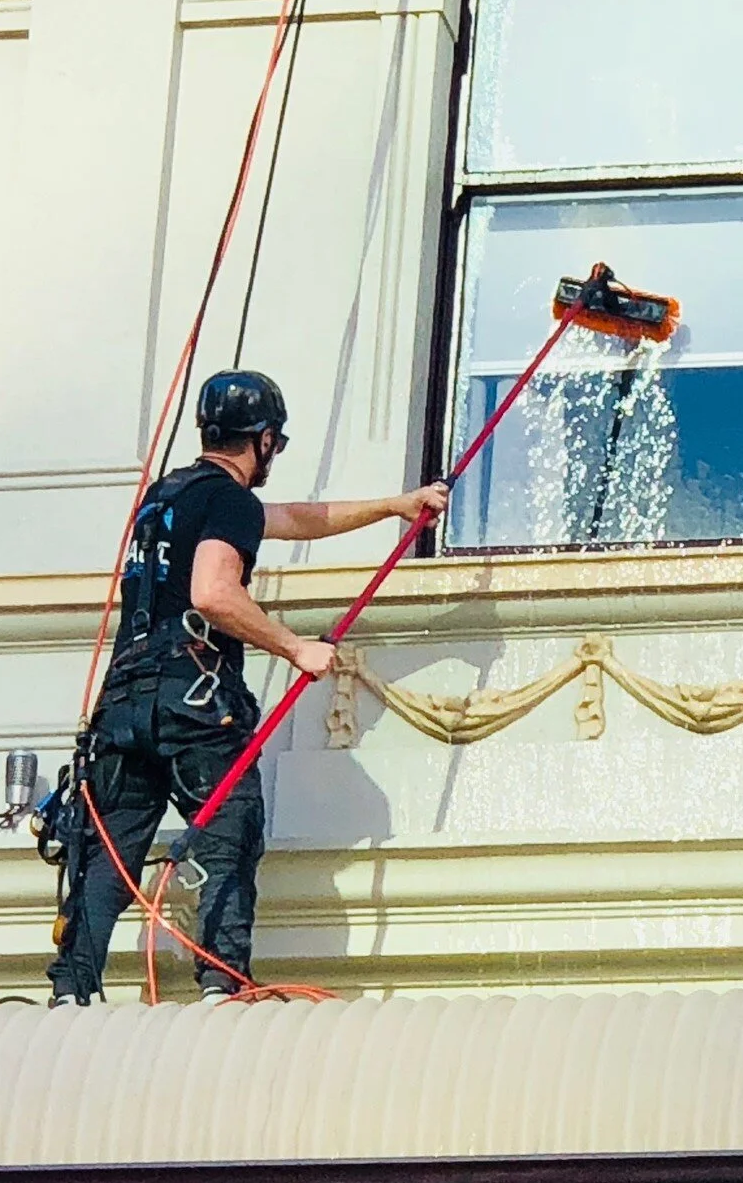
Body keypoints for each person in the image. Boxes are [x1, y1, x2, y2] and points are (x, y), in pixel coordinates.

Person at [45, 370, 448, 1006]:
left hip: (122, 706)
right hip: (194, 701)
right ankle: (222, 983)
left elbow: (296, 519)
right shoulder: (228, 502)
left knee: (109, 854)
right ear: (262, 440)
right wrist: (294, 647)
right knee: (230, 829)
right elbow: (212, 592)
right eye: (275, 445)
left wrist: (393, 506)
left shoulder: (167, 497)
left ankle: (73, 990)